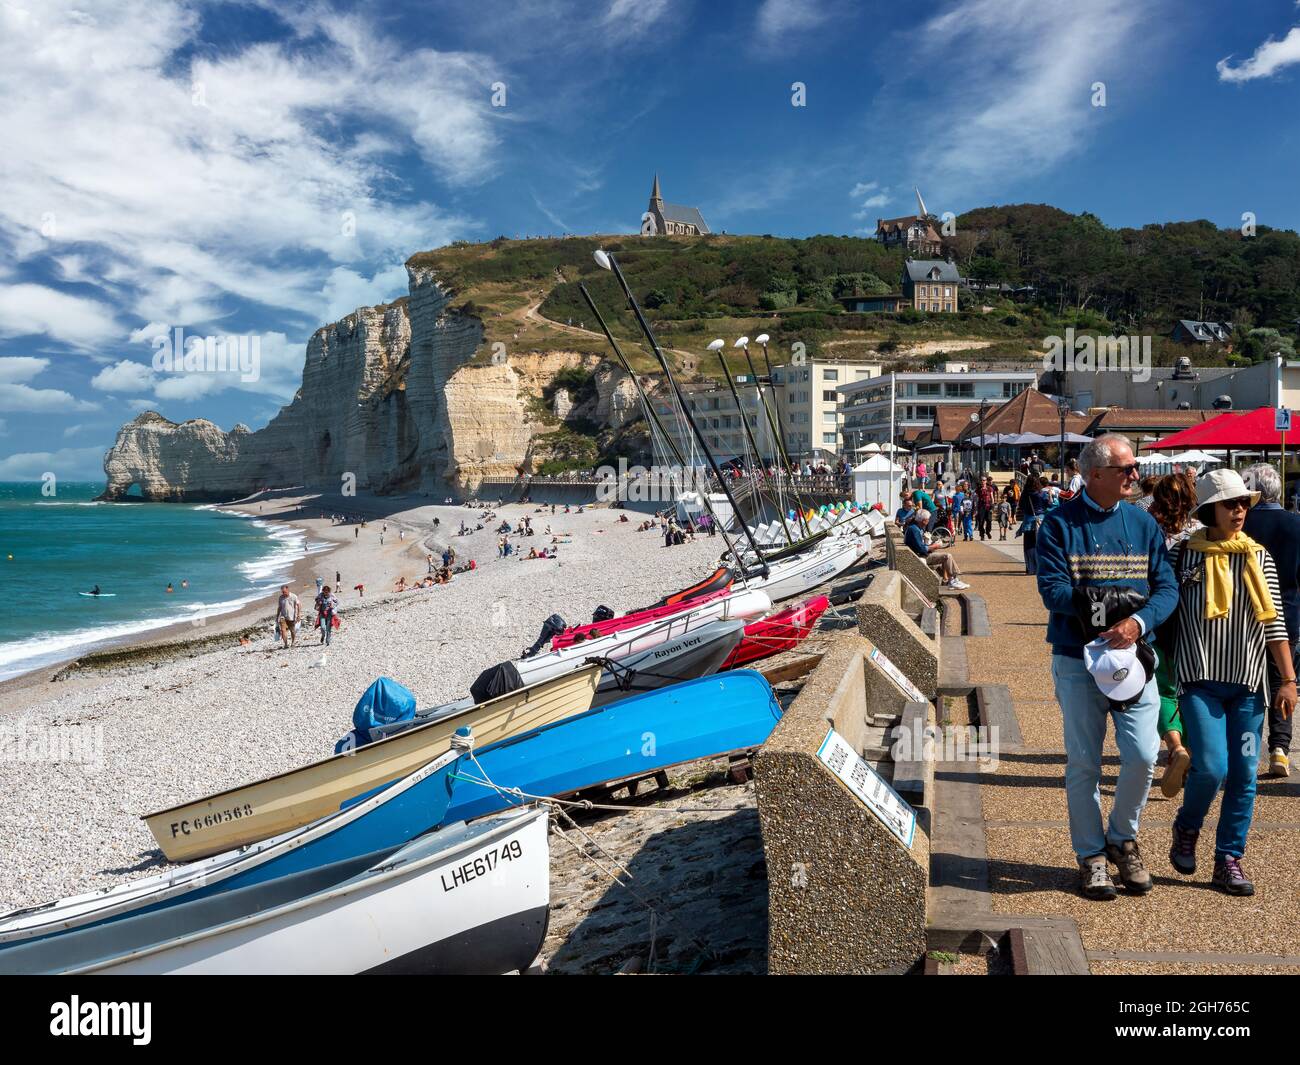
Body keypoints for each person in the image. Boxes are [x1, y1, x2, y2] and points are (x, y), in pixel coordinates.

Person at [1034, 433, 1177, 900]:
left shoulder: (1143, 523)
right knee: (1084, 764)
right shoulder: (1057, 525)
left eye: (1134, 467)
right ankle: (1091, 854)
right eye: (1126, 469)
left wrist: (1136, 621)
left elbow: (1167, 589)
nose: (1136, 475)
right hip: (1078, 660)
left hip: (1137, 658)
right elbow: (1052, 591)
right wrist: (1107, 607)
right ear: (1094, 474)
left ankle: (1122, 837)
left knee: (1142, 755)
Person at [1166, 469, 1295, 895]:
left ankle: (1229, 859)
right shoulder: (1183, 556)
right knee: (1212, 767)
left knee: (1244, 775)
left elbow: (1275, 624)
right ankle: (1187, 827)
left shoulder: (1259, 558)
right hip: (1199, 679)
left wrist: (1289, 680)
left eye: (1243, 503)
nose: (1239, 510)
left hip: (1248, 683)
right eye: (1230, 504)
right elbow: (1164, 612)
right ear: (1209, 510)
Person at [1242, 462, 1300, 778]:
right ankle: (1279, 749)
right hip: (1287, 614)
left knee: (1249, 685)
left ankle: (1247, 746)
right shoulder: (1295, 524)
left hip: (1244, 618)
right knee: (1282, 681)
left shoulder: (1240, 523)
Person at [1147, 472, 1203, 797]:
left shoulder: (1151, 534)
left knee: (1163, 690)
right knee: (1193, 691)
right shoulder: (1199, 536)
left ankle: (1175, 746)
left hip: (1161, 622)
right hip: (1194, 624)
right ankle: (1193, 753)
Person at [905, 509, 969, 589]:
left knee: (943, 557)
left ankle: (950, 580)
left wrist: (931, 544)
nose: (929, 521)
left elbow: (920, 545)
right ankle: (953, 580)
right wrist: (935, 546)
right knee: (947, 556)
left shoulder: (916, 527)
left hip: (918, 554)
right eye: (928, 519)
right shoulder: (915, 530)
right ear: (923, 520)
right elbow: (921, 549)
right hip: (919, 557)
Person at [1016, 474, 1049, 576]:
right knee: (1041, 545)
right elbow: (1048, 504)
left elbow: (1021, 506)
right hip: (1041, 520)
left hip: (1029, 520)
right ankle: (1040, 567)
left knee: (1029, 546)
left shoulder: (1026, 494)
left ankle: (1030, 568)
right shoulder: (1041, 493)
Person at [276, 583, 300, 648]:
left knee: (292, 630)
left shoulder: (294, 596)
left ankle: (293, 642)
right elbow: (280, 607)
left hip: (292, 616)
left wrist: (298, 615)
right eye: (282, 592)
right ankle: (286, 644)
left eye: (285, 592)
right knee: (283, 630)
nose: (284, 593)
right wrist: (277, 616)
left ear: (288, 590)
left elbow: (298, 605)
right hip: (283, 616)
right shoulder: (281, 598)